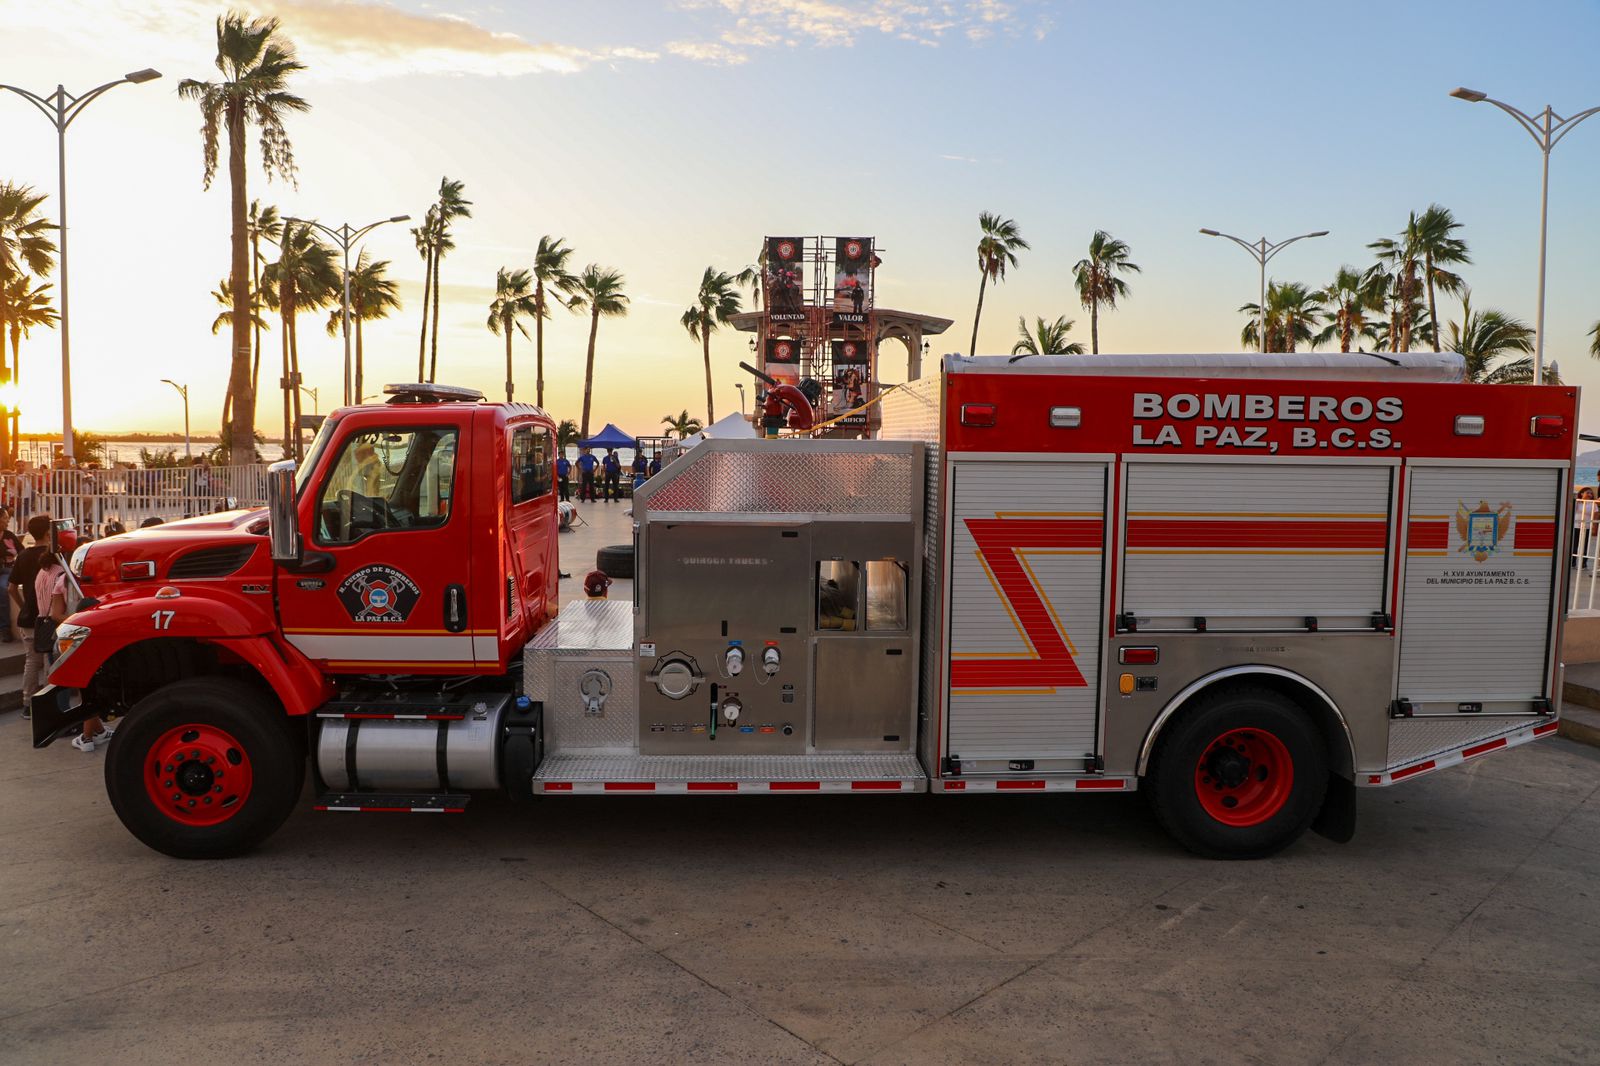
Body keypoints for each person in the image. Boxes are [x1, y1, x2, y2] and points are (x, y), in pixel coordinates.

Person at [11, 514, 51, 714]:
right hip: (48, 617)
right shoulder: (53, 556)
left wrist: (24, 604)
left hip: (27, 617)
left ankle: (28, 704)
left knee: (31, 660)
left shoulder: (24, 555)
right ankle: (47, 705)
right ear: (48, 532)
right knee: (48, 660)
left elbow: (11, 588)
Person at [0, 507, 19, 643]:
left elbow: (22, 551)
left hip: (6, 570)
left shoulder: (9, 535)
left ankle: (5, 628)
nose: (8, 520)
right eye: (5, 518)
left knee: (2, 589)